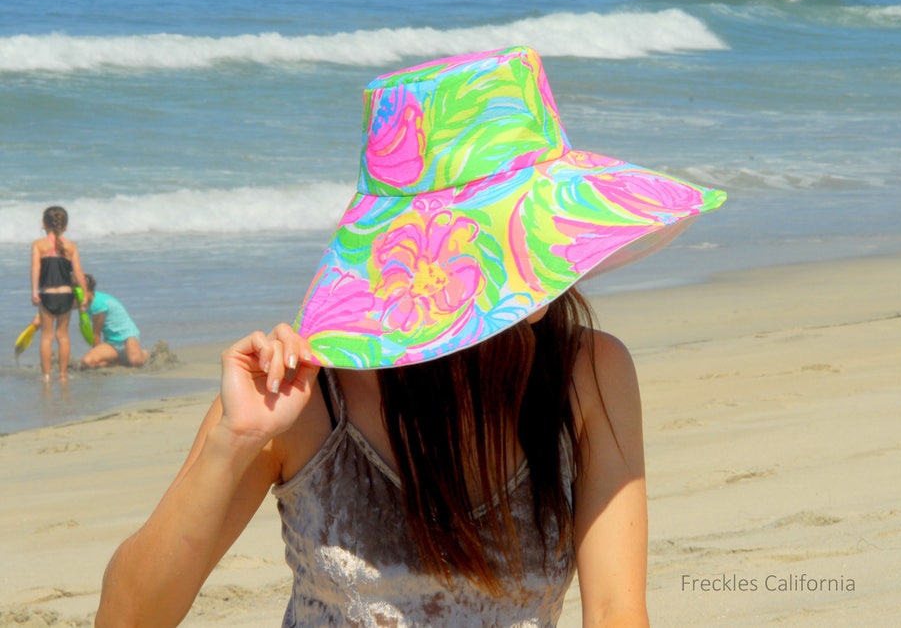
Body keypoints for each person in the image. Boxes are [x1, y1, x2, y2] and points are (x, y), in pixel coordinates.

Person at [96, 46, 726, 627]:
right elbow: (127, 617)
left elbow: (617, 609)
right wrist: (232, 441)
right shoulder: (305, 396)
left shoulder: (588, 372)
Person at [30, 205, 88, 382]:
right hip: (65, 295)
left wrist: (34, 291)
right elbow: (78, 272)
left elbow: (35, 268)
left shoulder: (39, 245)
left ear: (43, 224)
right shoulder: (71, 246)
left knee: (47, 337)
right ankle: (62, 375)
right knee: (63, 336)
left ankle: (46, 375)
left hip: (47, 295)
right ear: (66, 226)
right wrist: (85, 295)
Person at [80, 274, 150, 369]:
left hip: (128, 337)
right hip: (111, 343)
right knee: (87, 362)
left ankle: (145, 354)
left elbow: (96, 334)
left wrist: (96, 353)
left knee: (136, 362)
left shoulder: (97, 303)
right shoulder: (85, 300)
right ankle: (120, 361)